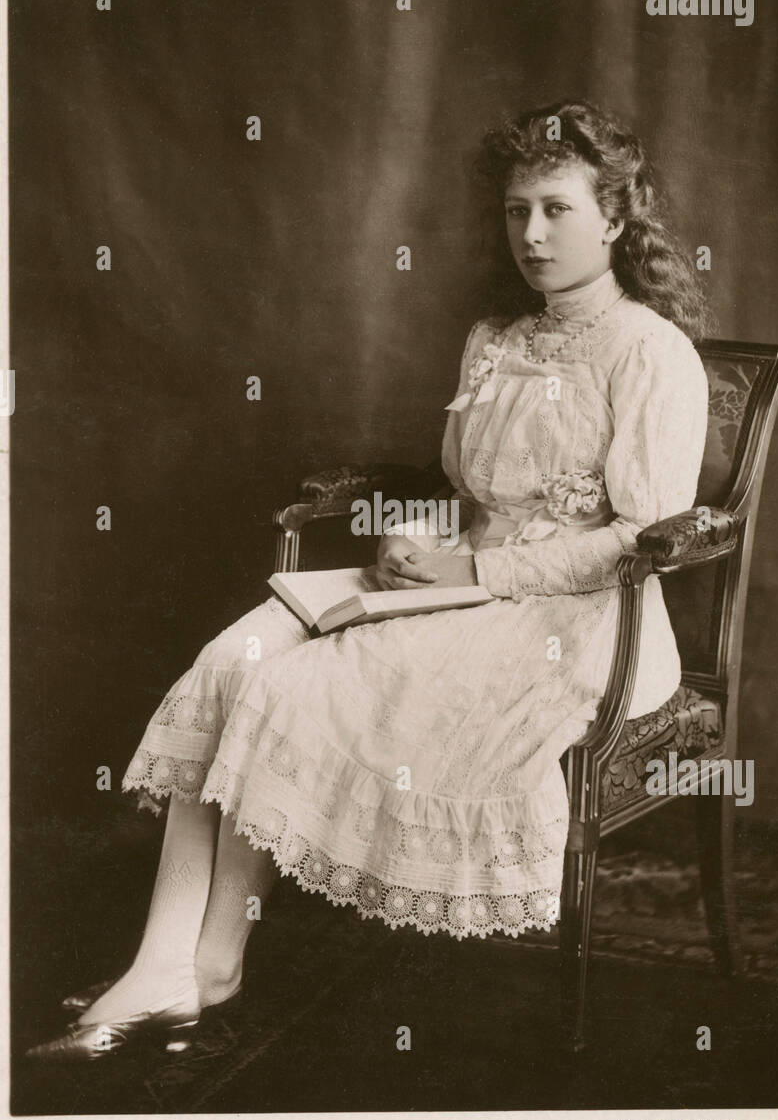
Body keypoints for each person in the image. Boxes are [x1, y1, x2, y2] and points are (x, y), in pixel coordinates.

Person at [27, 98, 710, 1062]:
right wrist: (412, 538)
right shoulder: (494, 339)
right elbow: (464, 488)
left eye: (556, 209)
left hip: (578, 623)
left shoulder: (652, 352)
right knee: (232, 661)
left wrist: (469, 566)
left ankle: (209, 968)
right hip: (452, 583)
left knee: (285, 690)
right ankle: (158, 962)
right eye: (517, 212)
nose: (533, 233)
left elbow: (642, 538)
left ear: (615, 218)